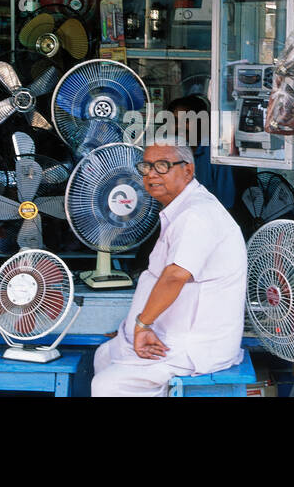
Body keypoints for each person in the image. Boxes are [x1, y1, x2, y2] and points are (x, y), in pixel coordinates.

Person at [91, 140, 248, 396]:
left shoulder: (197, 215)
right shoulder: (182, 208)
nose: (151, 174)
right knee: (104, 355)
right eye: (147, 166)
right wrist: (132, 325)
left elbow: (175, 276)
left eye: (162, 166)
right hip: (168, 333)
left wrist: (141, 325)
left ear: (188, 170)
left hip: (192, 345)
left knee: (107, 386)